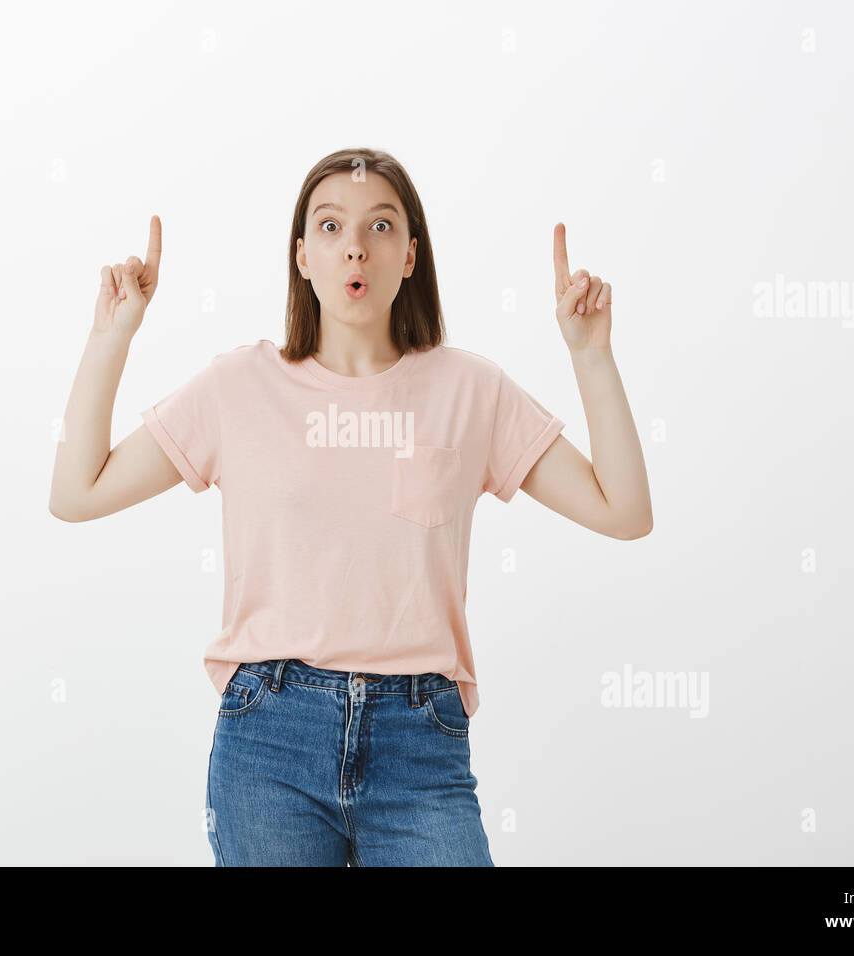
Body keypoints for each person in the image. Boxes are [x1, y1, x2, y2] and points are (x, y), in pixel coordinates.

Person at [48, 147, 652, 866]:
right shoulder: (239, 386)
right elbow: (76, 492)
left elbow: (625, 512)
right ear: (301, 256)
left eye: (381, 226)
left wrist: (590, 355)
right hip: (269, 738)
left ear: (410, 256)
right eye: (330, 228)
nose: (355, 247)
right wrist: (110, 337)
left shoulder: (471, 391)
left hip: (421, 739)